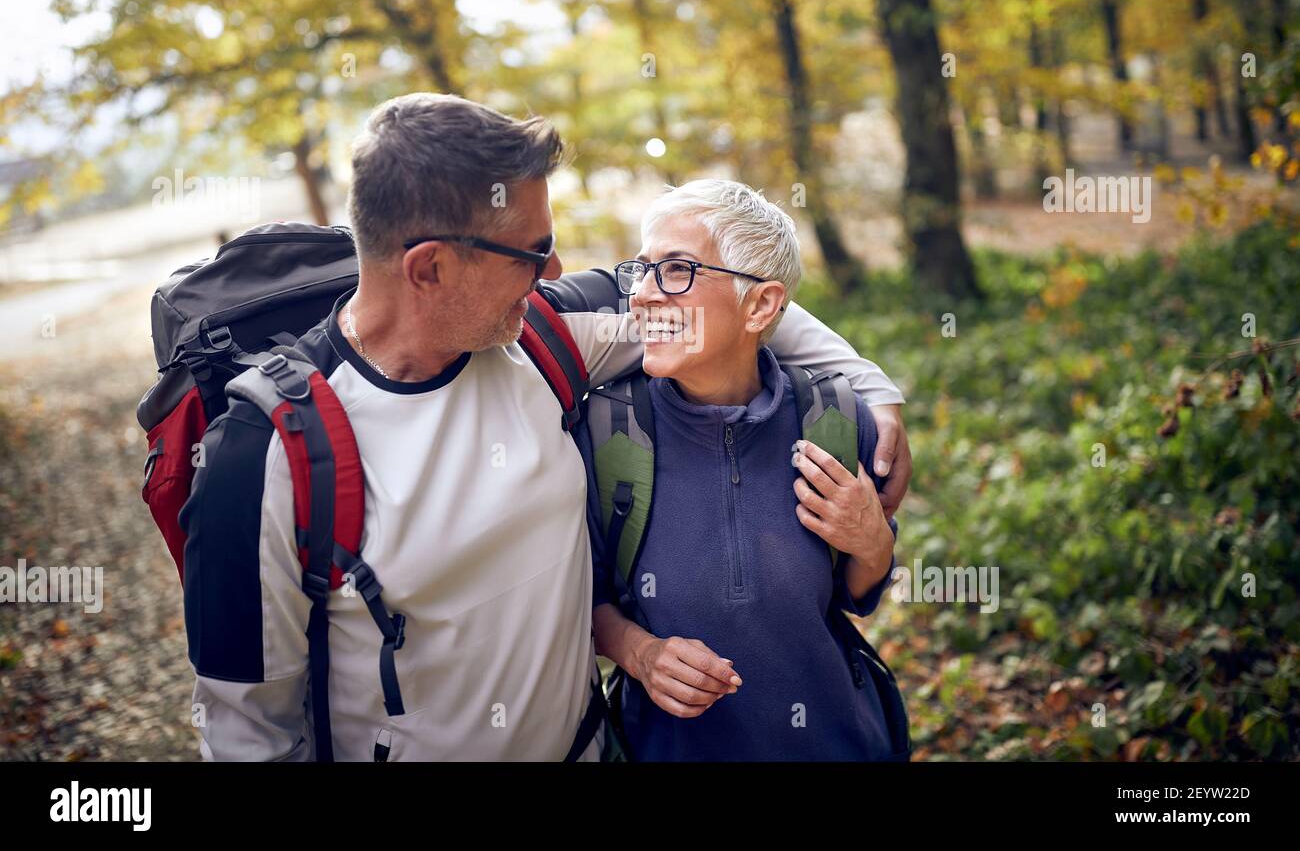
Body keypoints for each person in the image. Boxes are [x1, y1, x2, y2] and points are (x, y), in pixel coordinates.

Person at [181, 94, 909, 761]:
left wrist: (877, 393)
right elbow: (248, 732)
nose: (557, 269)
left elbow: (725, 306)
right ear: (429, 268)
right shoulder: (266, 453)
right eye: (533, 252)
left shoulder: (545, 333)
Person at [582, 180, 902, 760]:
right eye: (643, 269)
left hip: (839, 742)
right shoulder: (605, 430)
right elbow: (586, 599)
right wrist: (640, 654)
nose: (643, 296)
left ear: (760, 305)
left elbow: (859, 594)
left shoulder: (831, 418)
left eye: (677, 270)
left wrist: (874, 543)